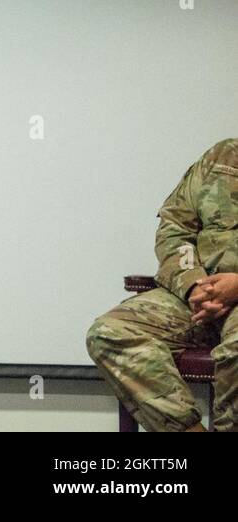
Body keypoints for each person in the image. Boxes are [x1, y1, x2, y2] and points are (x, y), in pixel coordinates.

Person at [86, 138, 238, 431]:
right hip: (197, 297)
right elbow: (175, 230)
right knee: (109, 333)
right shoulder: (222, 157)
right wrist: (194, 286)